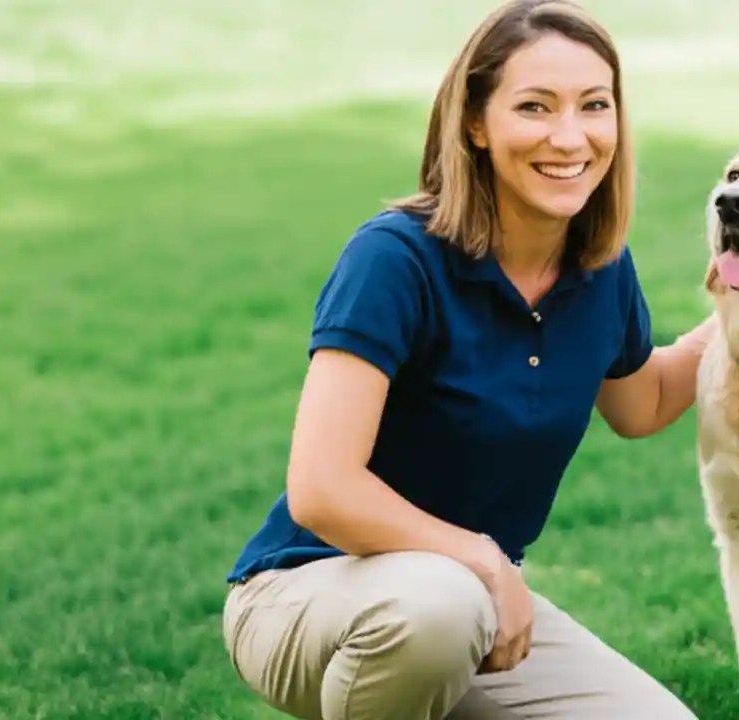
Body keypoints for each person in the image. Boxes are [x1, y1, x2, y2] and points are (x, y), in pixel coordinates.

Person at [220, 1, 713, 718]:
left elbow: (643, 404)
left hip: (470, 609)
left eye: (594, 106)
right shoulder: (394, 259)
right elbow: (322, 490)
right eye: (535, 107)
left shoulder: (601, 269)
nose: (569, 137)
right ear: (476, 124)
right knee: (436, 608)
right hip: (312, 592)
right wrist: (483, 560)